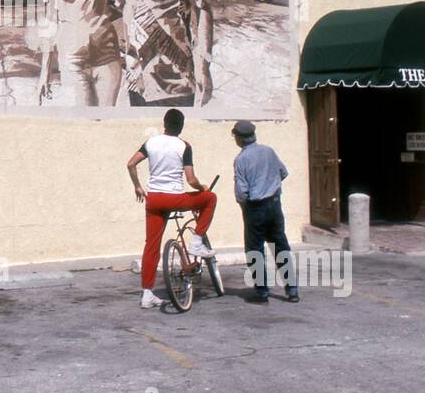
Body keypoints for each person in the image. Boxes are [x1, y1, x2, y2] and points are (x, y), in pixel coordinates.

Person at [127, 109, 217, 309]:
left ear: (164, 124)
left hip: (154, 200)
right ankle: (196, 241)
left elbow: (131, 163)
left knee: (151, 246)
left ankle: (147, 294)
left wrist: (138, 186)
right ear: (181, 126)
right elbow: (191, 179)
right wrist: (202, 187)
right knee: (210, 198)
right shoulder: (184, 146)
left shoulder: (151, 143)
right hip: (175, 198)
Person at [232, 120, 298, 303]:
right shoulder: (269, 151)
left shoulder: (241, 159)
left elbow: (241, 191)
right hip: (275, 204)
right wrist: (270, 185)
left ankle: (262, 291)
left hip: (255, 207)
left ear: (239, 138)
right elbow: (283, 173)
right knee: (280, 245)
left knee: (255, 249)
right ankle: (292, 289)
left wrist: (244, 205)